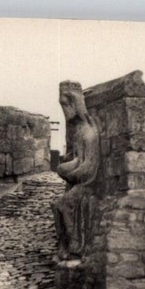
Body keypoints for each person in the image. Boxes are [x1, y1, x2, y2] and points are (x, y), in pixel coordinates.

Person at [52, 81, 101, 262]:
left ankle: (75, 247)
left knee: (64, 204)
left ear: (75, 103)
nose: (64, 110)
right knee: (56, 204)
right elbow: (78, 159)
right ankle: (64, 245)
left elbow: (88, 167)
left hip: (87, 185)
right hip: (79, 183)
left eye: (65, 104)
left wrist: (68, 173)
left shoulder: (89, 134)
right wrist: (65, 165)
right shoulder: (79, 132)